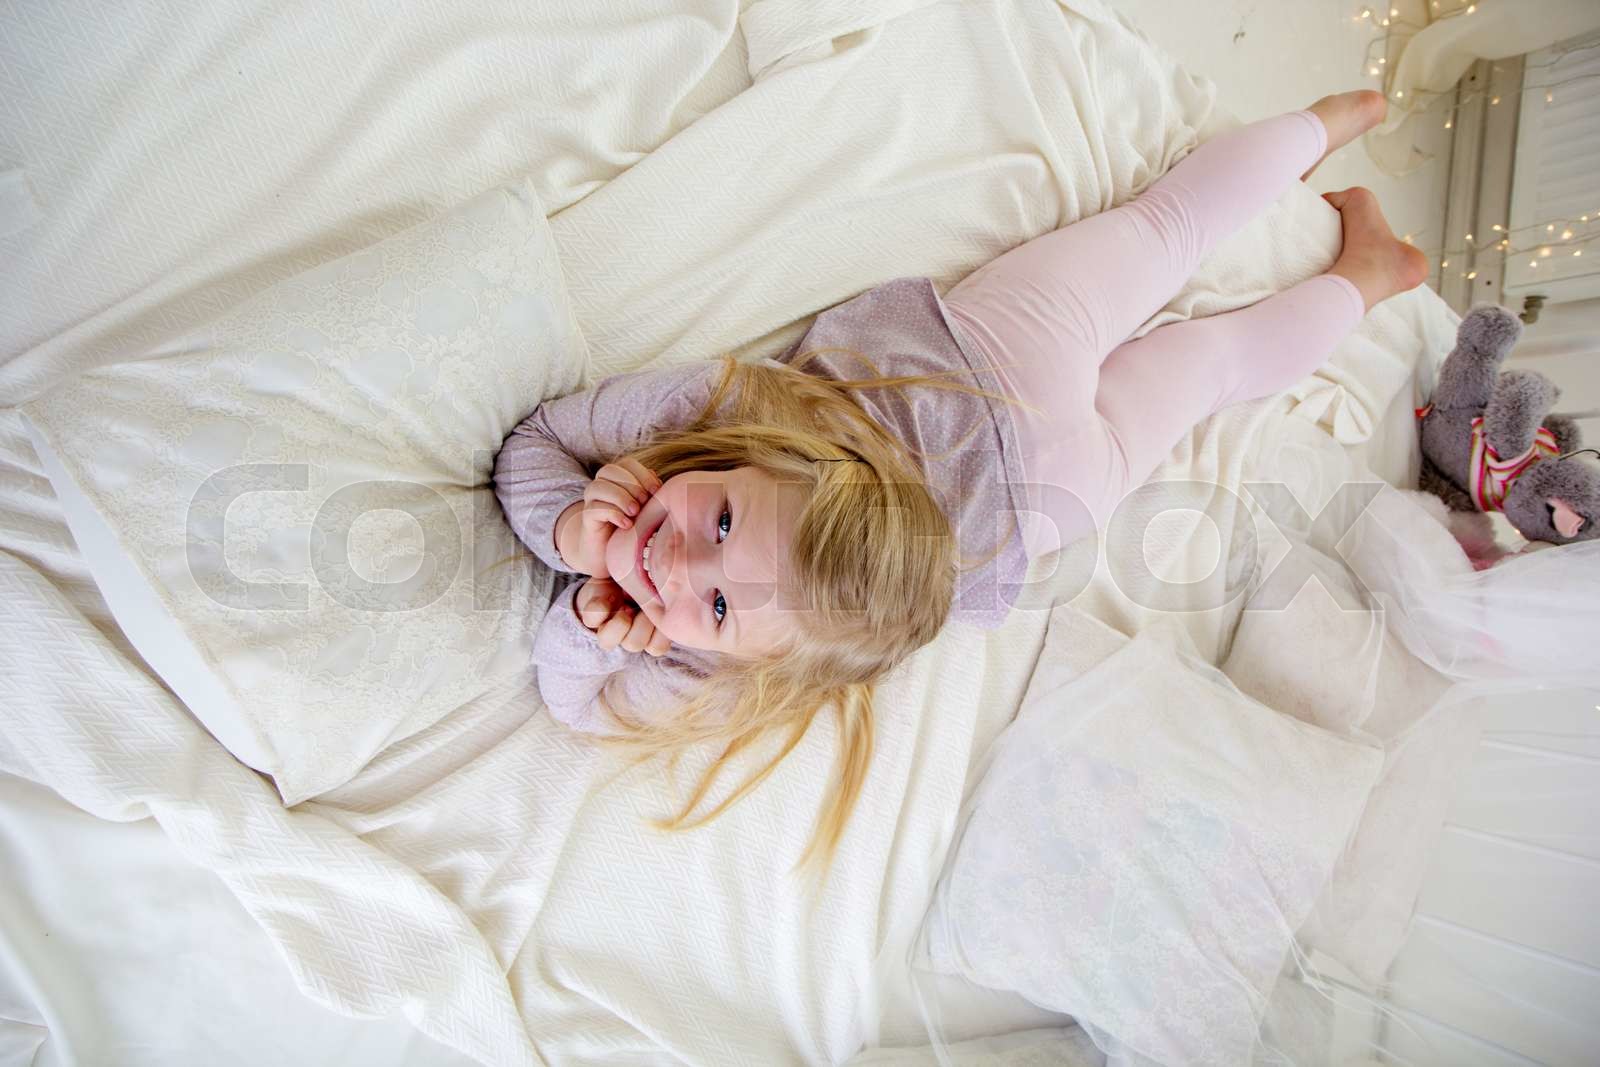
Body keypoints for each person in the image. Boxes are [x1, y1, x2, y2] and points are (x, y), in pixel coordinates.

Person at [492, 89, 1427, 880]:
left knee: (1202, 332)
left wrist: (577, 541)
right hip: (1016, 424)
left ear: (765, 454)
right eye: (723, 601)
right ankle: (1335, 149)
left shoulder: (718, 436)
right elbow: (582, 700)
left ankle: (1360, 250)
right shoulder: (735, 647)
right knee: (1169, 241)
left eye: (725, 520)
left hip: (1018, 426)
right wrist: (589, 588)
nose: (677, 561)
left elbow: (534, 451)